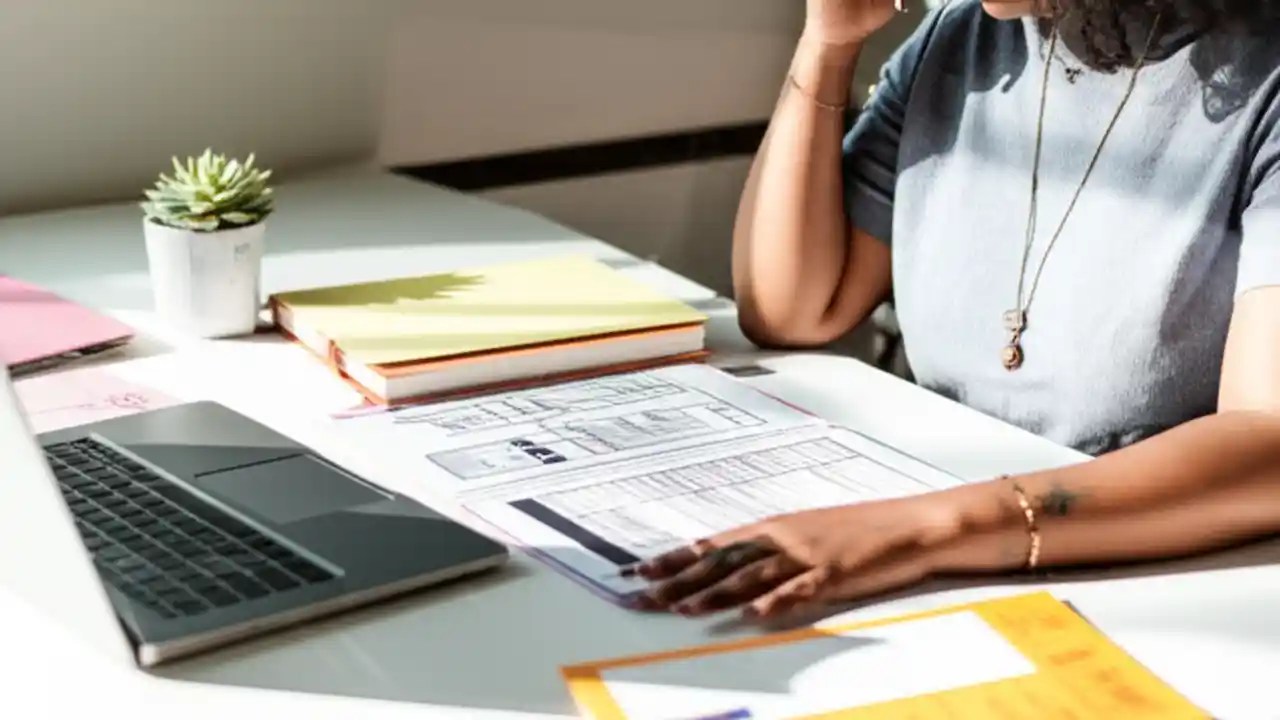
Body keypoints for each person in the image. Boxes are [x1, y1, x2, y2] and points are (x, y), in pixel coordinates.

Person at [625, 0, 1280, 619]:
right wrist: (828, 42)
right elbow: (792, 309)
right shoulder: (964, 37)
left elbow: (1267, 439)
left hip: (1166, 580)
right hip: (948, 545)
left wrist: (925, 528)